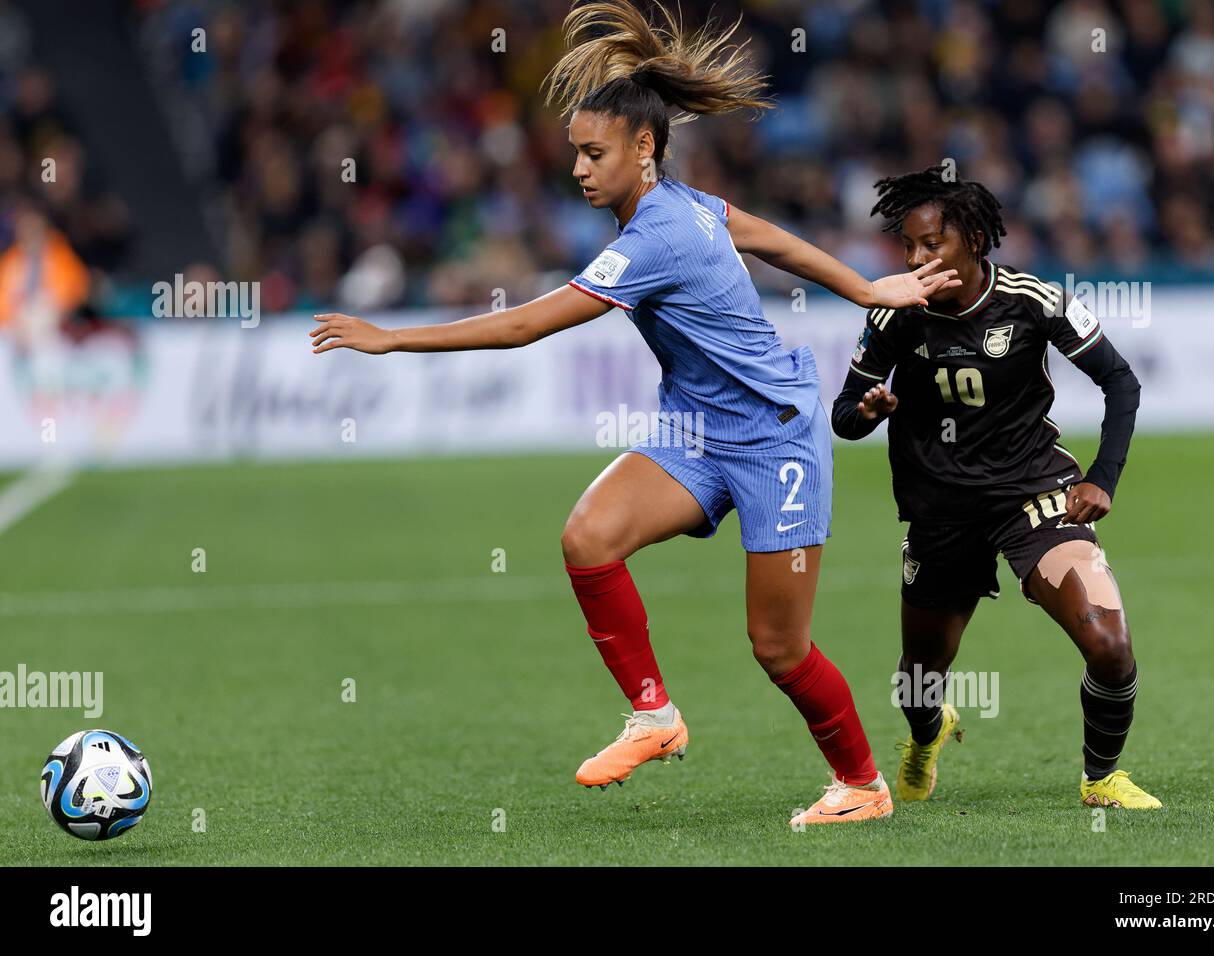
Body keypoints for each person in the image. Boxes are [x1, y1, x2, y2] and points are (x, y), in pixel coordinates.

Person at [311, 1, 958, 826]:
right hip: (698, 432)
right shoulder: (686, 205)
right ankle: (653, 715)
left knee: (778, 647)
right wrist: (864, 287)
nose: (579, 170)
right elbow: (768, 237)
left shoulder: (655, 236)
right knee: (588, 537)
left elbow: (523, 326)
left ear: (643, 148)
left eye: (594, 154)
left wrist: (393, 337)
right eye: (575, 153)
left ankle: (862, 786)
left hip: (775, 439)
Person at [832, 165, 1160, 809]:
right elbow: (844, 414)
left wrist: (1102, 478)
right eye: (908, 246)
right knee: (918, 685)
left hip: (1033, 494)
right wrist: (868, 412)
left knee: (1109, 645)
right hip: (941, 510)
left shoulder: (1034, 301)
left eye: (932, 244)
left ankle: (1100, 779)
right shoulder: (896, 313)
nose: (916, 260)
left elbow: (1120, 381)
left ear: (976, 240)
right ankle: (927, 734)